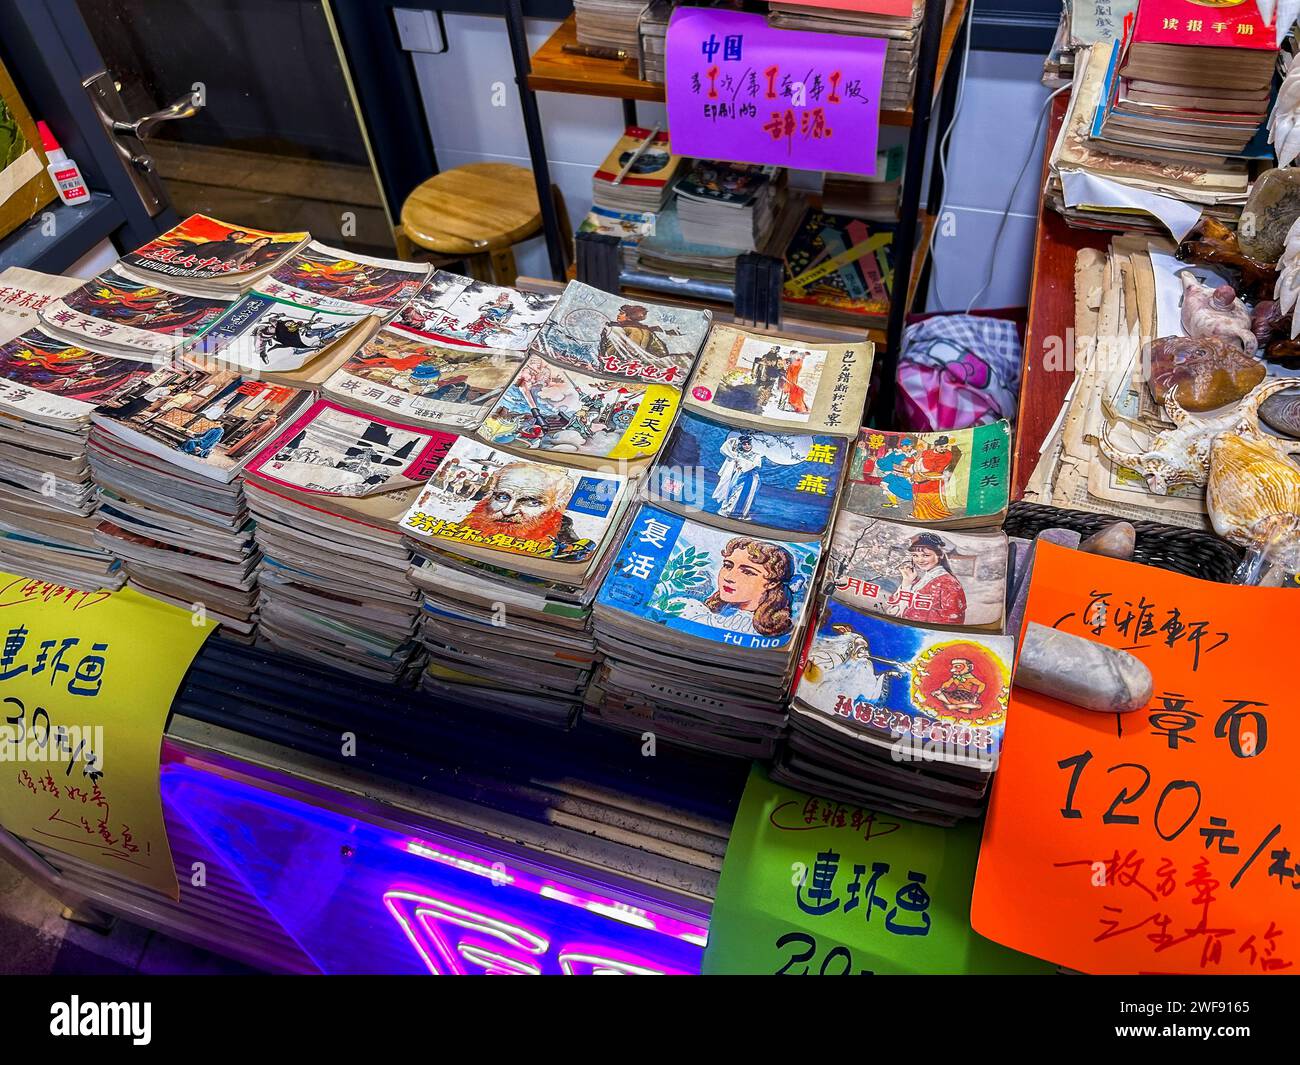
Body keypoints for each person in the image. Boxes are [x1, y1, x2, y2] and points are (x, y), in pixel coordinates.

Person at [672, 537, 797, 637]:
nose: (729, 577)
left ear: (772, 583)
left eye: (748, 572)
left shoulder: (774, 630)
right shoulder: (694, 609)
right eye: (727, 566)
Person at [887, 532, 967, 626]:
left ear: (940, 555)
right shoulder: (920, 580)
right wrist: (907, 583)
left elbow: (954, 618)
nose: (919, 560)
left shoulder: (948, 583)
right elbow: (893, 607)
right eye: (915, 555)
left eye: (926, 555)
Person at [713, 432, 765, 519]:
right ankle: (728, 510)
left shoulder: (756, 456)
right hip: (738, 476)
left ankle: (742, 514)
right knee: (733, 492)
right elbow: (725, 448)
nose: (747, 446)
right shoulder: (737, 454)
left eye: (748, 444)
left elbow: (754, 465)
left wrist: (741, 463)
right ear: (741, 445)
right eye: (744, 444)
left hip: (750, 477)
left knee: (746, 495)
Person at [910, 436, 959, 522]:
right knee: (916, 489)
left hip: (935, 476)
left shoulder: (948, 455)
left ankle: (933, 514)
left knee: (929, 494)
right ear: (936, 445)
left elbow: (936, 468)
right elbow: (917, 459)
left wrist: (923, 473)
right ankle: (918, 512)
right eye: (941, 446)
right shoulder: (927, 452)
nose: (944, 449)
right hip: (922, 474)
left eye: (946, 446)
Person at [874, 438, 918, 511]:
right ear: (903, 446)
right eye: (908, 446)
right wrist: (878, 462)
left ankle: (917, 505)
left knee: (906, 490)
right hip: (894, 475)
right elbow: (886, 460)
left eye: (910, 447)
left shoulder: (911, 455)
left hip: (903, 476)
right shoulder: (897, 453)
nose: (909, 448)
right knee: (884, 484)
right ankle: (894, 503)